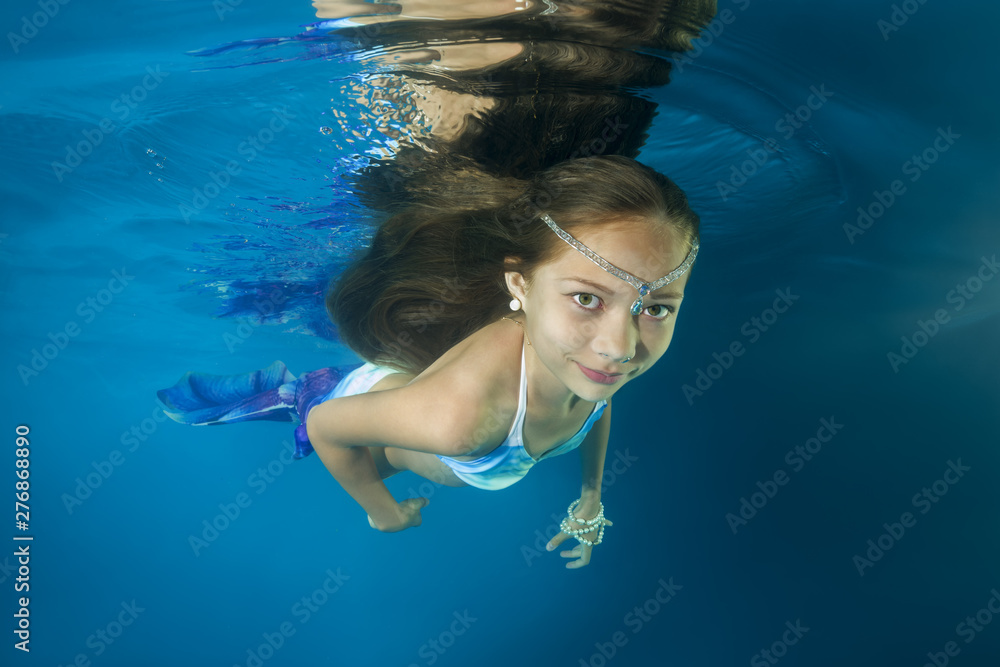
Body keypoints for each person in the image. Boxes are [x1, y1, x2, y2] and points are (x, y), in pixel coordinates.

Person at [158, 155, 699, 568]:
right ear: (520, 285)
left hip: (424, 403)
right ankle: (293, 393)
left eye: (655, 308)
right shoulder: (459, 424)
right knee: (312, 410)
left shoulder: (591, 363)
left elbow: (597, 408)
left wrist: (590, 496)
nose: (622, 346)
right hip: (370, 419)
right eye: (587, 298)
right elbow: (328, 428)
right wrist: (383, 512)